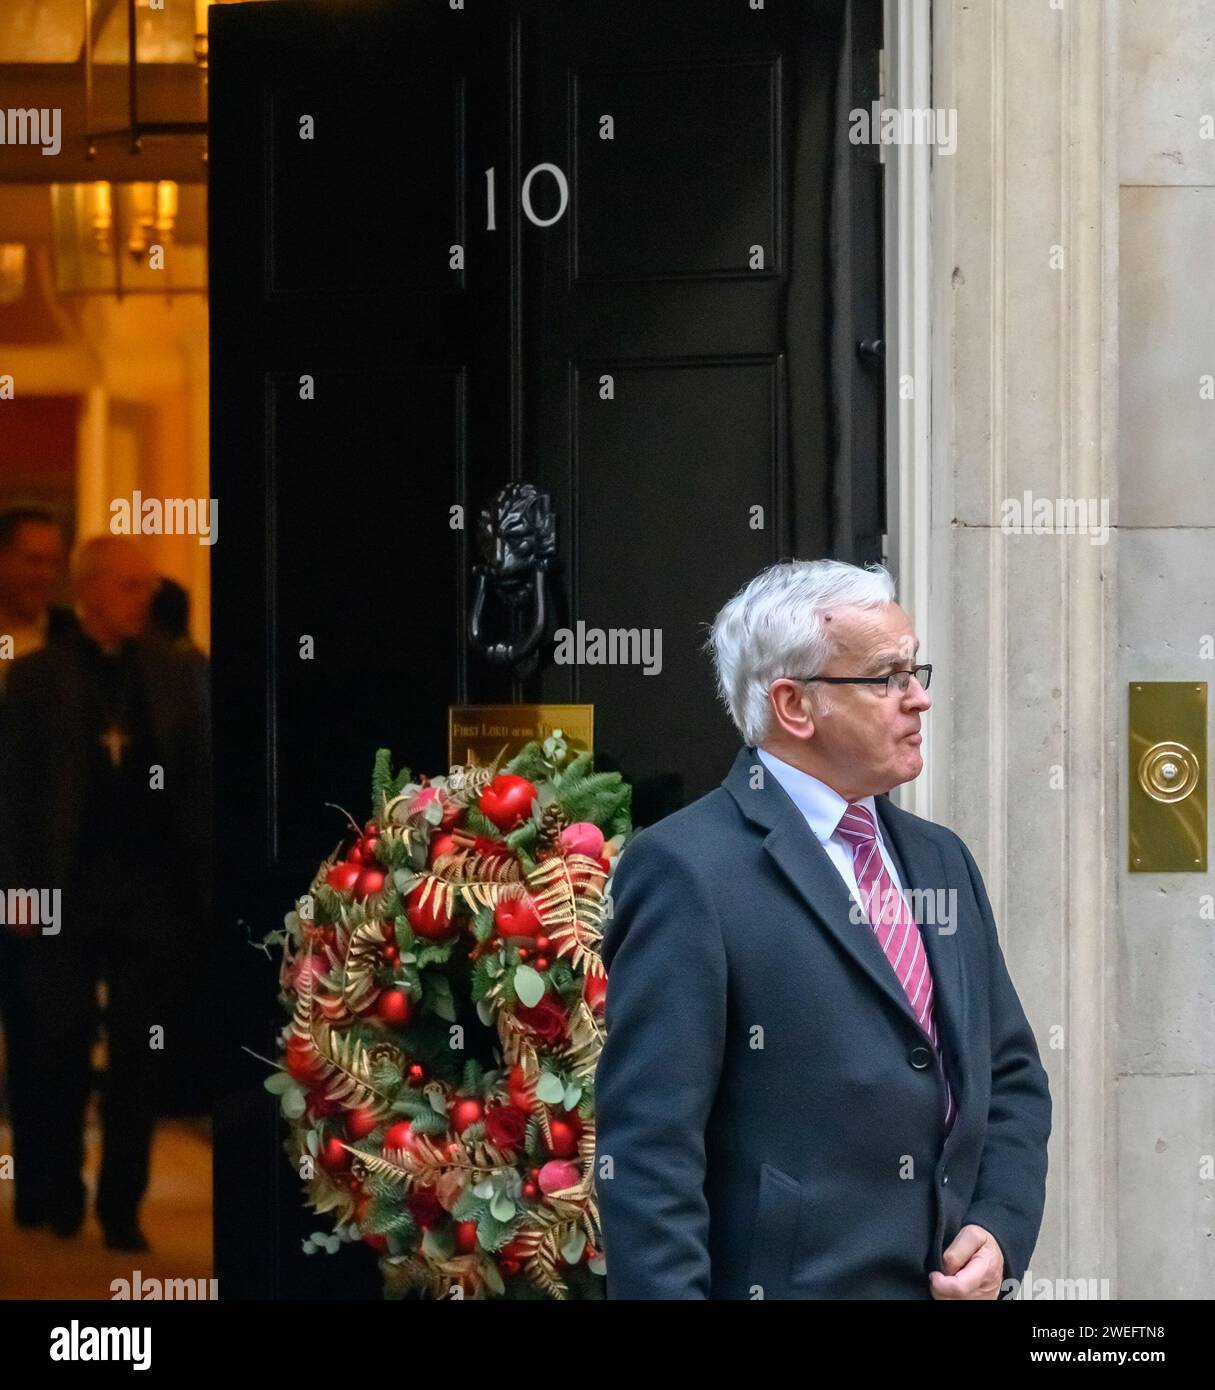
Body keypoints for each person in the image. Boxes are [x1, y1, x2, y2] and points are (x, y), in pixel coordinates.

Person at [594, 558, 1051, 1299]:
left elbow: (1009, 1078)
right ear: (793, 706)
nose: (918, 698)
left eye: (914, 669)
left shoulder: (940, 859)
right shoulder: (686, 869)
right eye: (885, 677)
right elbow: (648, 1154)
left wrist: (999, 1226)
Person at [0, 536, 211, 1250]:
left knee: (139, 1058)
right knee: (53, 1045)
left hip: (149, 891)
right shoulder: (35, 678)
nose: (143, 598)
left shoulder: (175, 674)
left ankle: (121, 1207)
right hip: (63, 886)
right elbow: (15, 799)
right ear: (88, 592)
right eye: (128, 585)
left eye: (148, 586)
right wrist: (17, 896)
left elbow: (196, 787)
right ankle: (53, 1190)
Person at [0, 506, 73, 1229]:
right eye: (30, 559)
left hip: (29, 870)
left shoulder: (64, 647)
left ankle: (40, 1192)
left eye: (53, 561)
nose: (41, 574)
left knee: (39, 1037)